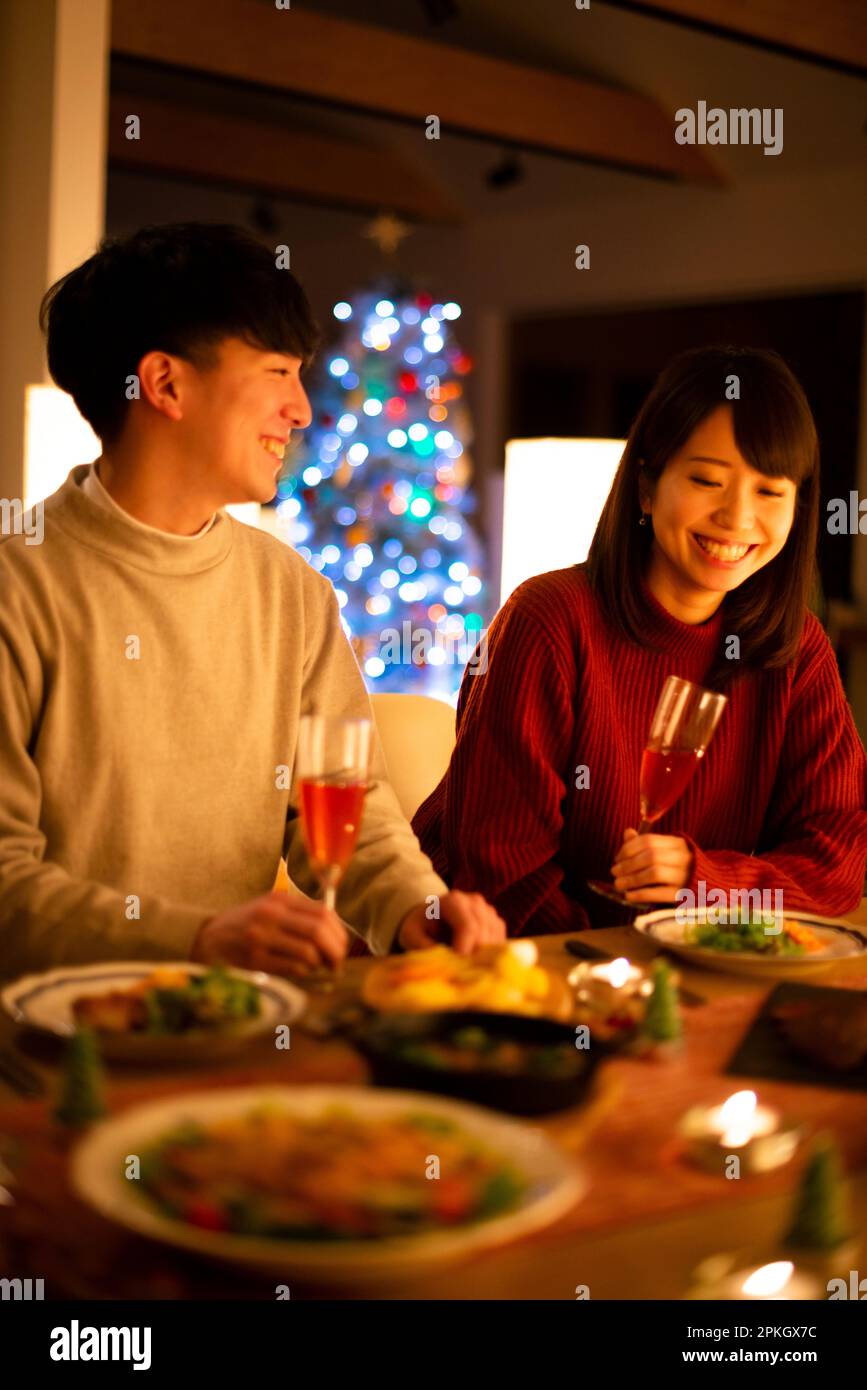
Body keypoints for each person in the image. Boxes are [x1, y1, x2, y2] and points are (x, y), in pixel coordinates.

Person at [0, 223, 505, 981]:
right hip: (58, 1046)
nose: (302, 411)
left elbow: (346, 806)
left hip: (236, 1024)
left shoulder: (291, 592)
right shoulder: (21, 586)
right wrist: (194, 940)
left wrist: (416, 908)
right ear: (165, 384)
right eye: (277, 373)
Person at [413, 345, 867, 934]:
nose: (736, 517)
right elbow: (503, 874)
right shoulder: (551, 620)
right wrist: (621, 975)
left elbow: (838, 860)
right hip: (512, 975)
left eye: (770, 492)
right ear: (647, 488)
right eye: (707, 480)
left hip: (685, 976)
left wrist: (705, 882)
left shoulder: (796, 648)